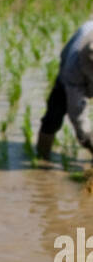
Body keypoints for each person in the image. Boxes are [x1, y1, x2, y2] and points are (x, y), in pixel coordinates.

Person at [37, 19, 93, 161]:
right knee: (53, 115)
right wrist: (89, 140)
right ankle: (42, 157)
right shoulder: (73, 68)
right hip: (71, 74)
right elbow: (77, 115)